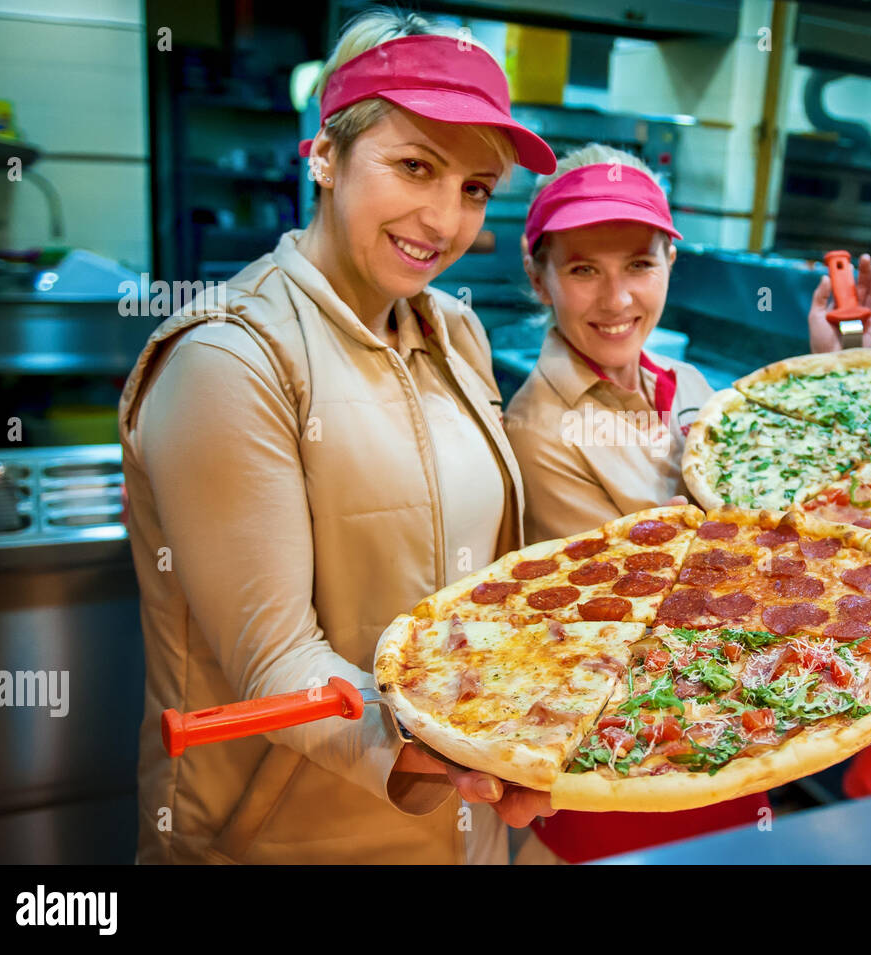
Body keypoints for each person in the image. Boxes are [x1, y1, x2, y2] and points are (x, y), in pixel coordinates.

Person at [119, 11, 560, 864]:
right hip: (282, 841)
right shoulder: (228, 356)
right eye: (414, 166)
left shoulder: (453, 331)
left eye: (474, 188)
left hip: (459, 834)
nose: (443, 219)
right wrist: (441, 753)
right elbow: (277, 659)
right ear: (324, 154)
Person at [502, 145, 871, 864]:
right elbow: (644, 609)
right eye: (584, 269)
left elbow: (780, 498)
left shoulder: (685, 382)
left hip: (734, 720)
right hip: (629, 749)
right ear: (539, 278)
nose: (617, 299)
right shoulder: (540, 428)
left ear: (669, 265)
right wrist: (856, 586)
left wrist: (834, 363)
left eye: (639, 264)